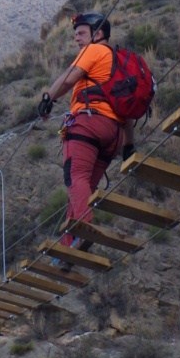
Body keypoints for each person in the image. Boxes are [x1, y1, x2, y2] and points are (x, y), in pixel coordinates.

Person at [38, 12, 135, 246]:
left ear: (98, 34)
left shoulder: (94, 50)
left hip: (88, 124)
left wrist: (47, 98)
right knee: (83, 189)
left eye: (81, 33)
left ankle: (83, 227)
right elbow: (128, 107)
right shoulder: (119, 63)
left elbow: (69, 78)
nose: (76, 39)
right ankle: (70, 247)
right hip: (113, 134)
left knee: (75, 176)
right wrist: (129, 146)